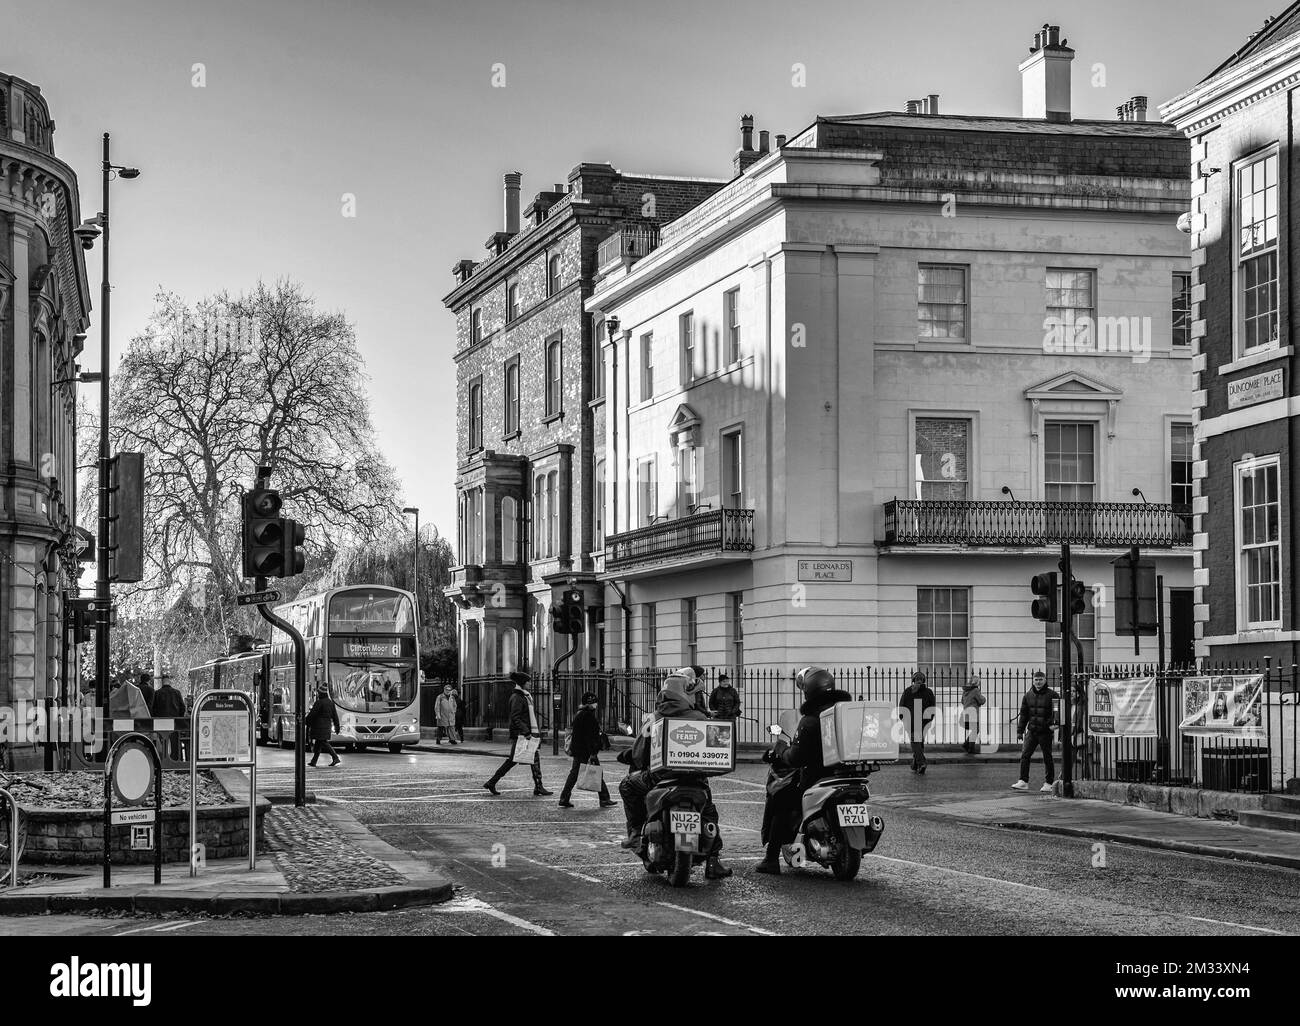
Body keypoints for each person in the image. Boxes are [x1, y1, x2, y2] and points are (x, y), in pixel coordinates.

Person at [618, 668, 731, 879]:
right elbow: (718, 749)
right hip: (696, 778)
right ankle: (713, 861)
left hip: (660, 779)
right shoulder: (700, 718)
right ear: (686, 694)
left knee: (627, 785)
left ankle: (635, 833)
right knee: (709, 812)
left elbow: (640, 756)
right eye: (695, 693)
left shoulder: (653, 720)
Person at [755, 666, 853, 875]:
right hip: (849, 774)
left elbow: (798, 756)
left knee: (781, 801)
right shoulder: (845, 713)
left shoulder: (810, 720)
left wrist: (783, 753)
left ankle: (771, 860)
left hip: (817, 777)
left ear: (809, 690)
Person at [483, 672, 553, 796]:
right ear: (522, 683)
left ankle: (538, 786)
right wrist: (526, 732)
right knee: (516, 760)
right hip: (522, 734)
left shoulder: (524, 696)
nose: (530, 683)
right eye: (528, 681)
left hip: (526, 732)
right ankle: (492, 782)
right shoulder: (517, 697)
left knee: (531, 758)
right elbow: (516, 717)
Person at [558, 691, 616, 809]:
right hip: (585, 751)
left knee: (575, 774)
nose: (595, 705)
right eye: (594, 702)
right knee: (593, 773)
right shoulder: (587, 716)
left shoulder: (580, 714)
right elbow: (589, 737)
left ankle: (564, 798)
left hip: (580, 750)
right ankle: (604, 799)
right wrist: (593, 753)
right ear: (589, 703)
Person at [1013, 670, 1058, 792]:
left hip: (1045, 732)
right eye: (1036, 680)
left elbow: (1056, 713)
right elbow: (1024, 715)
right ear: (1033, 681)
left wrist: (1050, 725)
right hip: (1032, 731)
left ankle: (1049, 783)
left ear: (1045, 680)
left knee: (1047, 756)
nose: (1038, 682)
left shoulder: (1053, 695)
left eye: (1040, 679)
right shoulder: (1028, 696)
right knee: (1025, 756)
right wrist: (1019, 730)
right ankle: (1023, 781)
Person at [898, 671, 936, 773]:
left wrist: (902, 717)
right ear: (923, 681)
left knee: (915, 743)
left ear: (913, 680)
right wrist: (930, 719)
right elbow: (932, 707)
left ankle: (921, 762)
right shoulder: (929, 692)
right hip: (924, 721)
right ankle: (915, 765)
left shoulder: (908, 691)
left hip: (910, 721)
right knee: (919, 743)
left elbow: (902, 705)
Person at [151, 675, 188, 761]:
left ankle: (163, 761)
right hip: (174, 722)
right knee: (175, 742)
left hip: (161, 723)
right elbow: (182, 707)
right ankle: (175, 760)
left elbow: (153, 709)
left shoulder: (157, 693)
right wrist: (179, 718)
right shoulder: (177, 692)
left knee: (163, 742)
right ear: (169, 681)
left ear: (162, 682)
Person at [305, 684, 341, 767]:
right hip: (326, 726)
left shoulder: (319, 703)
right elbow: (335, 716)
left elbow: (312, 714)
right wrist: (337, 726)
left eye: (318, 692)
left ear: (321, 693)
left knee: (323, 742)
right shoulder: (330, 703)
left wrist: (306, 721)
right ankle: (314, 761)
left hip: (319, 727)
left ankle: (335, 757)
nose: (317, 694)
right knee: (318, 743)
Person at [960, 675, 986, 755]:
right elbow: (981, 700)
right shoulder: (975, 690)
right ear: (977, 682)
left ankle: (968, 746)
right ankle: (969, 747)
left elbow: (962, 701)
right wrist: (984, 698)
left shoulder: (965, 691)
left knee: (974, 730)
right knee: (975, 730)